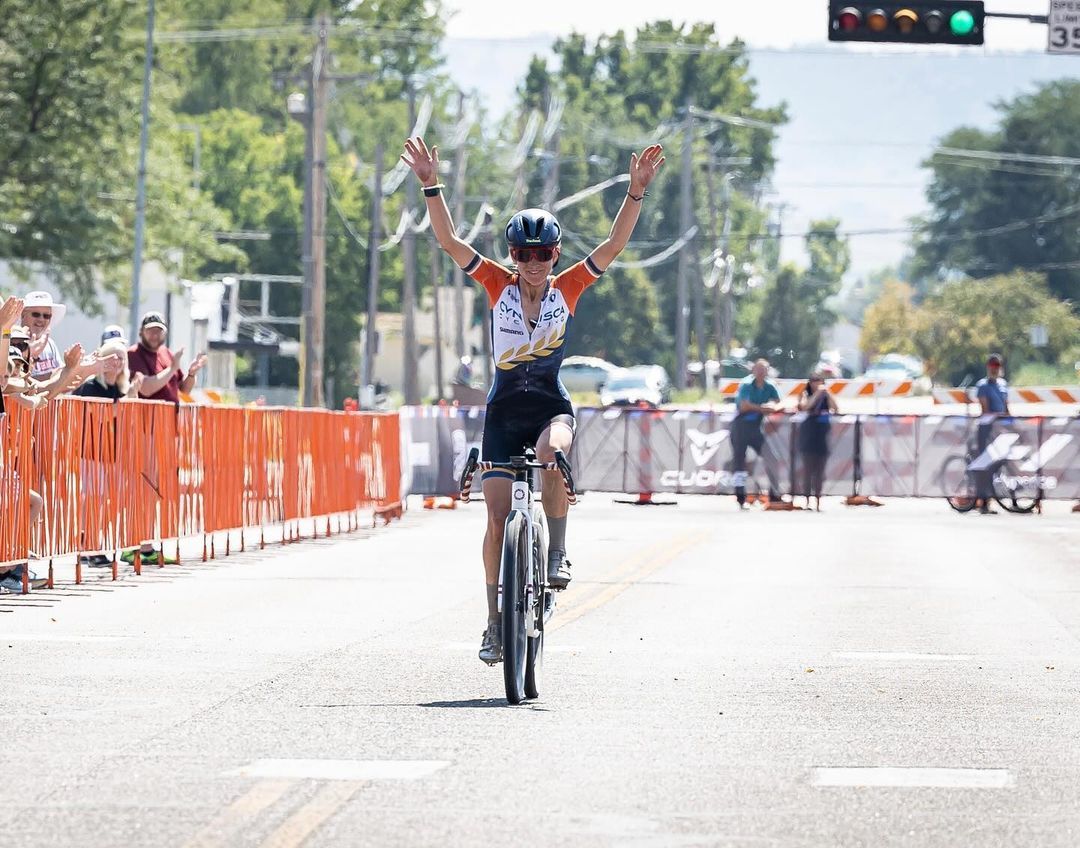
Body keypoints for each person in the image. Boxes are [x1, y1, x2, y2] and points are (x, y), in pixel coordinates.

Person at [402, 134, 665, 664]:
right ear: (512, 255)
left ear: (555, 254)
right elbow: (451, 242)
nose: (534, 263)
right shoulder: (495, 282)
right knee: (496, 517)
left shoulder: (567, 287)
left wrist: (634, 193)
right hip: (503, 409)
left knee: (552, 454)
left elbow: (612, 248)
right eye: (524, 254)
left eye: (543, 254)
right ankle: (495, 624)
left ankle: (559, 551)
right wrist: (432, 186)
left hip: (549, 403)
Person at [731, 359, 783, 509]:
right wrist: (763, 408)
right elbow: (744, 406)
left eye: (764, 370)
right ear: (754, 370)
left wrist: (772, 405)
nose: (761, 373)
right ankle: (740, 496)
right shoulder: (747, 385)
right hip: (740, 426)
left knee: (772, 457)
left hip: (755, 428)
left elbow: (778, 402)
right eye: (758, 370)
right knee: (739, 461)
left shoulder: (770, 385)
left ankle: (774, 493)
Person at [127, 311, 207, 404]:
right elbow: (144, 389)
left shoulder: (166, 352)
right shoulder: (133, 353)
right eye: (150, 330)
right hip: (149, 417)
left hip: (171, 416)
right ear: (141, 332)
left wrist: (191, 374)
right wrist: (172, 369)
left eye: (159, 331)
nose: (155, 335)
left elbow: (184, 390)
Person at [972, 353, 1011, 515]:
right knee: (985, 465)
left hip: (1000, 430)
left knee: (999, 464)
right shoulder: (983, 385)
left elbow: (1007, 408)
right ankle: (983, 501)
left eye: (997, 366)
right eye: (992, 366)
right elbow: (985, 410)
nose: (994, 369)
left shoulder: (1003, 385)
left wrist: (1010, 424)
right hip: (987, 430)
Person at [798, 372, 839, 511]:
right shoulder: (805, 394)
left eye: (820, 381)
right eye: (814, 381)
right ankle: (807, 500)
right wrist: (816, 394)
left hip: (822, 437)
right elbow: (805, 407)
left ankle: (818, 500)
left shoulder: (825, 396)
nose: (817, 384)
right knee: (808, 470)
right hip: (808, 436)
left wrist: (827, 393)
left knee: (820, 472)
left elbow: (836, 408)